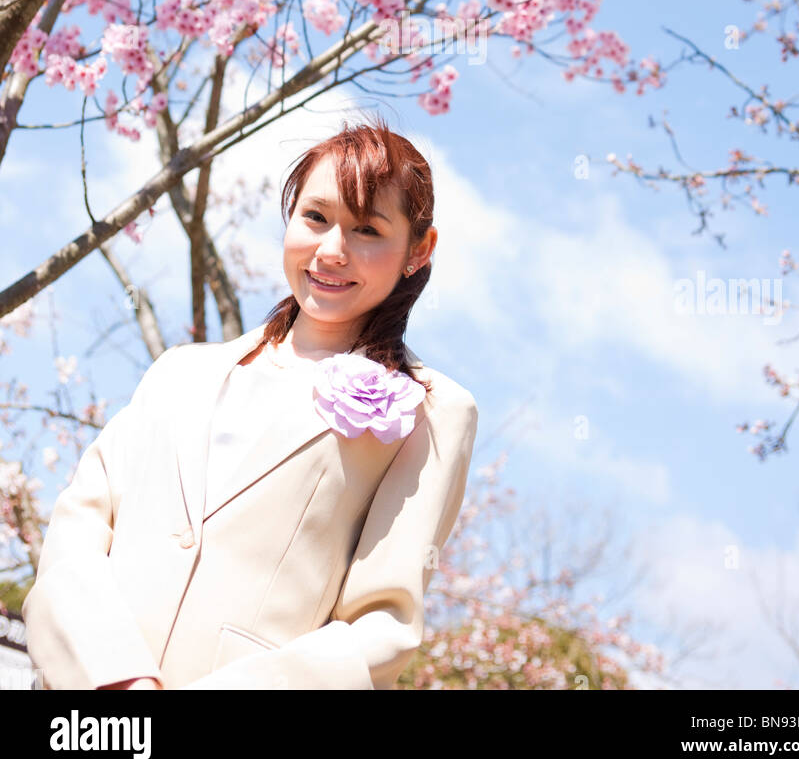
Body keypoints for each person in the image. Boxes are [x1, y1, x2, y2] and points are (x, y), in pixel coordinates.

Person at [22, 117, 478, 690]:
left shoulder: (431, 411)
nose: (332, 251)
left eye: (367, 230)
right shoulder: (179, 372)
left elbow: (381, 626)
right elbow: (75, 537)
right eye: (315, 217)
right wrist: (117, 680)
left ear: (419, 249)